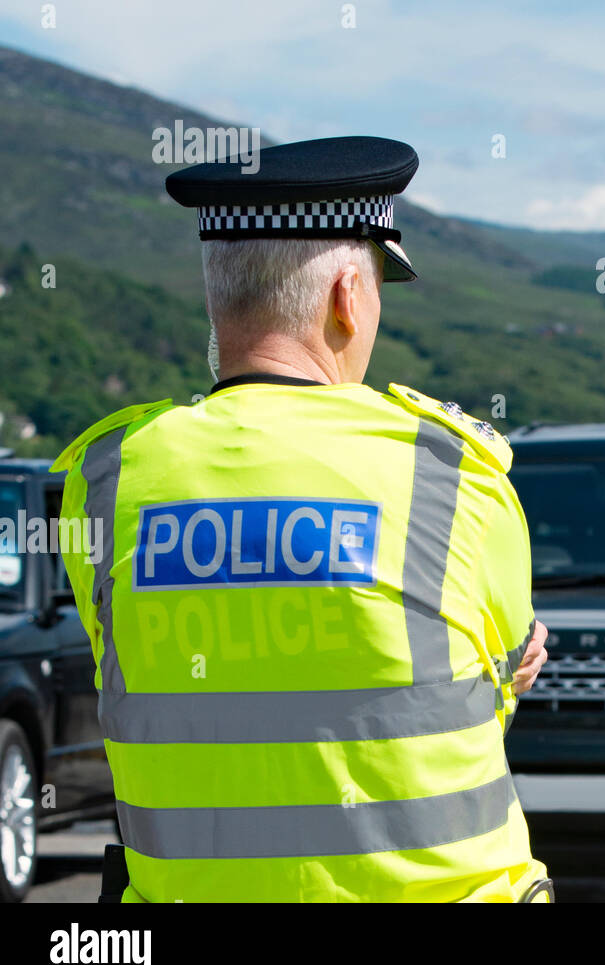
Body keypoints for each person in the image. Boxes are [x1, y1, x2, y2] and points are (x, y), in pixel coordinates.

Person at [54, 136, 551, 902]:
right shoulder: (455, 473)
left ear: (217, 297)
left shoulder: (108, 480)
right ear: (348, 294)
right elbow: (478, 699)